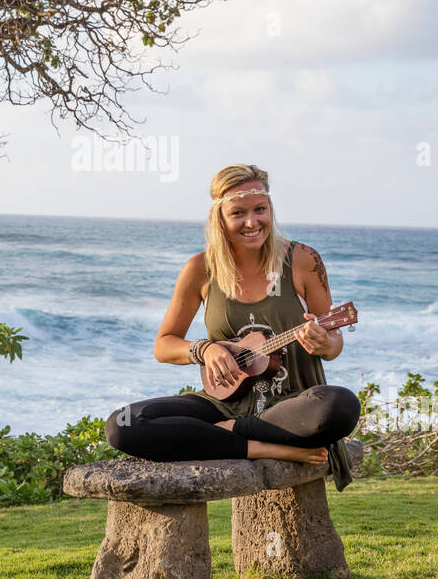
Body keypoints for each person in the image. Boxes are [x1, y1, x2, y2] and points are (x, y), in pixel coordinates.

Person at [105, 164, 361, 472]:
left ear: (271, 209)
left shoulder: (303, 260)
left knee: (340, 406)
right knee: (123, 425)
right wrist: (206, 349)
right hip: (221, 404)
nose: (252, 222)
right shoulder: (199, 269)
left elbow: (333, 343)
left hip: (291, 406)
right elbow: (163, 345)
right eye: (238, 213)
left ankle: (230, 433)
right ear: (220, 218)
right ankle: (259, 446)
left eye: (260, 210)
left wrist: (324, 344)